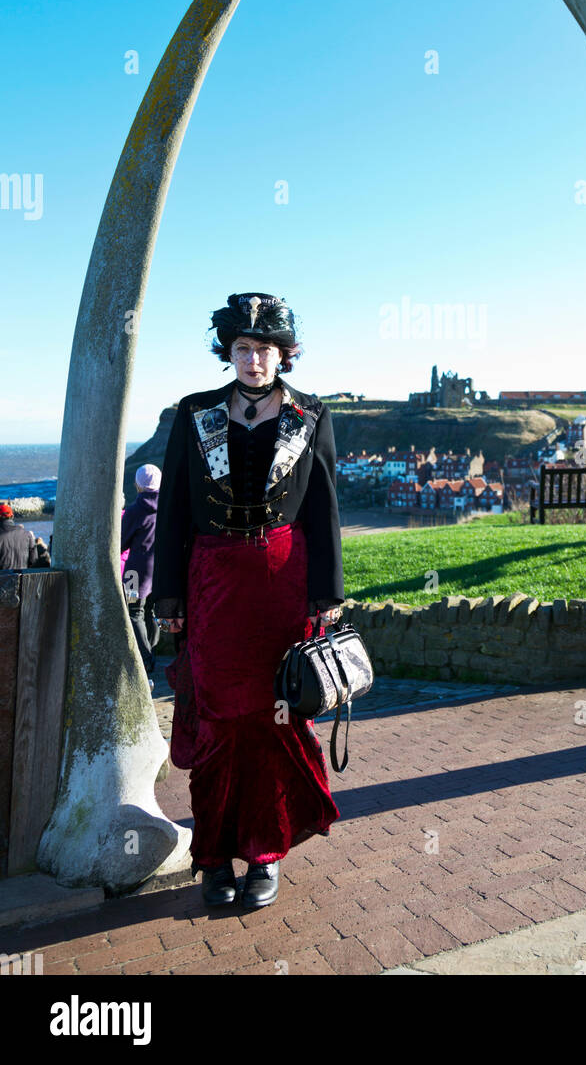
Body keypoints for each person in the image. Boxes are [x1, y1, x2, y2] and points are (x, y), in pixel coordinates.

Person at [150, 293, 343, 912]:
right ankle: (212, 859)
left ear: (283, 354)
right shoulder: (194, 411)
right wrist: (170, 595)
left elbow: (325, 510)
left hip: (283, 586)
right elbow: (175, 508)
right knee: (216, 722)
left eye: (264, 349)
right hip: (213, 584)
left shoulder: (312, 414)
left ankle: (265, 854)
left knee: (272, 720)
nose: (254, 360)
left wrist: (326, 596)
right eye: (242, 349)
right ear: (227, 351)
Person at [120, 465, 163, 687]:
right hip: (161, 568)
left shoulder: (135, 510)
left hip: (136, 572)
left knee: (134, 611)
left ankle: (145, 659)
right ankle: (151, 650)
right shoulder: (168, 506)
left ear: (138, 484)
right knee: (153, 610)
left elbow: (120, 542)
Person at [0, 500, 50, 569]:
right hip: (23, 577)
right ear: (12, 516)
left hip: (3, 578)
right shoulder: (28, 535)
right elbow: (33, 561)